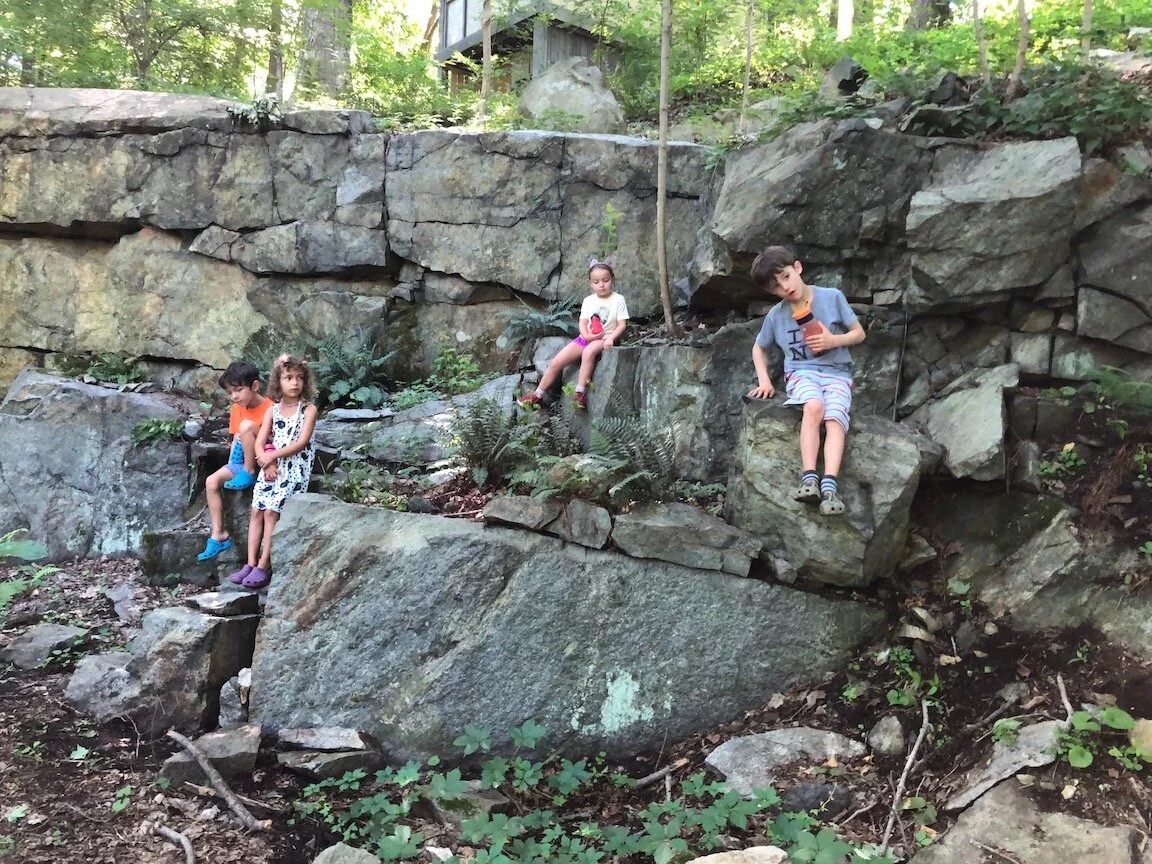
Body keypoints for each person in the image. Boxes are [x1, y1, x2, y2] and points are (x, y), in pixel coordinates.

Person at [747, 246, 866, 516]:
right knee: (814, 406)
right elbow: (759, 347)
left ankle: (830, 486)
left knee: (835, 418)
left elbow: (858, 334)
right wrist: (764, 381)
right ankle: (809, 477)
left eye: (786, 277)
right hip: (802, 372)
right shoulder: (777, 315)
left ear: (798, 268)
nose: (785, 287)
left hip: (837, 372)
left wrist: (833, 340)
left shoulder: (831, 297)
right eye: (776, 287)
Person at [229, 355, 319, 590]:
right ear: (278, 381)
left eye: (300, 378)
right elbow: (260, 442)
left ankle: (263, 564)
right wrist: (265, 462)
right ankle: (249, 563)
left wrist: (272, 457)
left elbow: (301, 442)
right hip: (272, 466)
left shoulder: (308, 410)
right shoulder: (273, 410)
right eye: (288, 378)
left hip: (295, 467)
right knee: (257, 511)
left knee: (271, 512)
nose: (294, 383)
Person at [518, 258, 629, 410]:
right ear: (591, 283)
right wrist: (587, 336)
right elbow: (583, 322)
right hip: (587, 338)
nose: (601, 285)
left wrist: (610, 337)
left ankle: (580, 393)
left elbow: (622, 324)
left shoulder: (618, 299)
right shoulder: (589, 300)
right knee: (556, 362)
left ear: (612, 280)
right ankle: (537, 395)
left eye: (605, 280)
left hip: (605, 338)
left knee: (588, 352)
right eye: (596, 282)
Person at [196, 361, 272, 561]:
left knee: (246, 427)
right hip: (242, 457)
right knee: (211, 481)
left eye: (238, 390)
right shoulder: (237, 408)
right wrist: (230, 469)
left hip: (263, 460)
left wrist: (252, 467)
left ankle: (249, 472)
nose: (234, 396)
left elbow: (273, 441)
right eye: (230, 393)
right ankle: (219, 534)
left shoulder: (271, 408)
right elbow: (235, 441)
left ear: (254, 386)